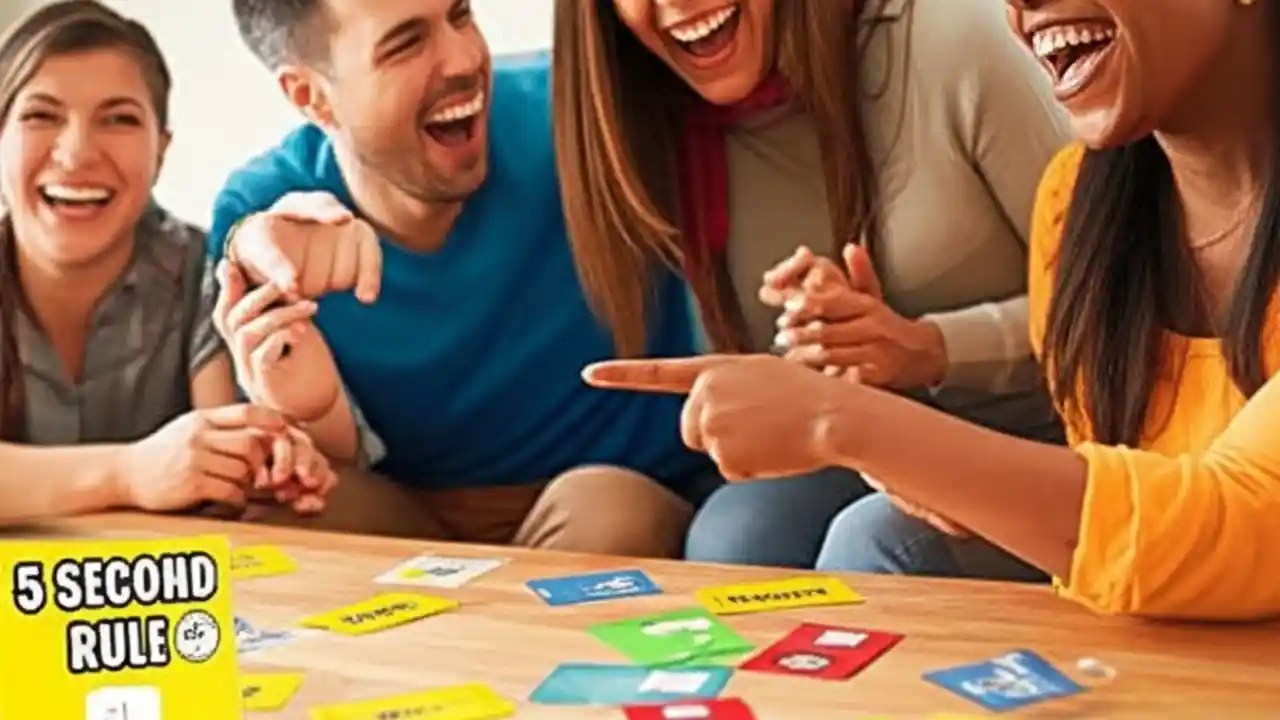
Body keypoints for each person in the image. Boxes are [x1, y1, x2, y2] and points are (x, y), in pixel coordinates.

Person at [585, 0, 1280, 620]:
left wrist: (854, 414)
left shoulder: (955, 54)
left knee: (867, 538)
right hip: (1152, 577)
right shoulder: (1078, 202)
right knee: (817, 532)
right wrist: (856, 385)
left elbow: (1236, 523)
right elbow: (1113, 460)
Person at [551, 0, 1071, 568]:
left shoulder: (955, 38)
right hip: (880, 447)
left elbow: (1125, 307)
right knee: (736, 539)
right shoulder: (670, 123)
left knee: (871, 543)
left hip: (1060, 442)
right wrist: (822, 341)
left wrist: (929, 348)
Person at [207, 0, 715, 555]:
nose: (465, 59)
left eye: (460, 15)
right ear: (311, 96)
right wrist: (300, 407)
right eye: (405, 44)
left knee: (608, 512)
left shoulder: (584, 109)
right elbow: (329, 464)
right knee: (272, 515)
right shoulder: (265, 221)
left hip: (617, 492)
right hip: (413, 512)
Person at [0, 0, 336, 526]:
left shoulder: (210, 274)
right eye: (41, 115)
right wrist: (129, 472)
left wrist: (266, 464)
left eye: (119, 119)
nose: (77, 153)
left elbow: (227, 462)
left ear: (161, 151)